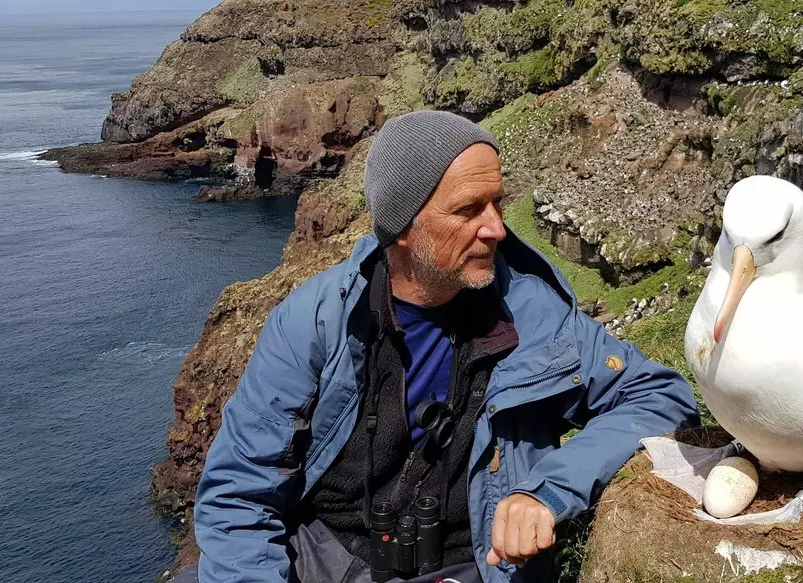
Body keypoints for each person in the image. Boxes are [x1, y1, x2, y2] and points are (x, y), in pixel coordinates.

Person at [186, 110, 700, 583]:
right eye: (469, 209)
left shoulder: (533, 316)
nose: (497, 228)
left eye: (498, 202)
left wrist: (545, 490)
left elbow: (660, 397)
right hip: (329, 557)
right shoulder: (315, 323)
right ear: (404, 227)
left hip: (477, 563)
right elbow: (238, 496)